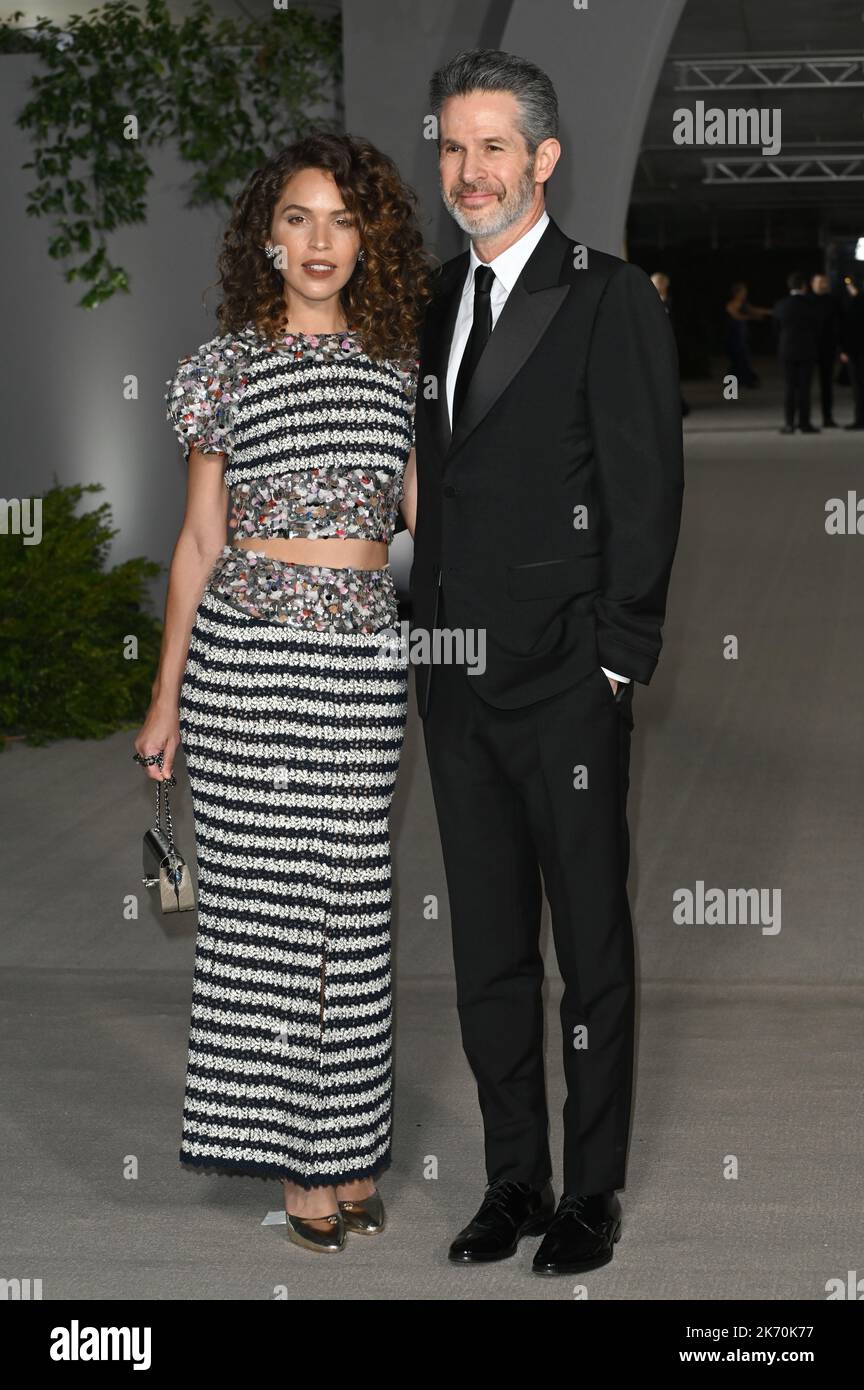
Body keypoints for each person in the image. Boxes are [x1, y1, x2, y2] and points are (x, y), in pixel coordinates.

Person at [411, 50, 684, 1276]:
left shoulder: (609, 296)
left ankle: (593, 1191)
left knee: (591, 950)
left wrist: (619, 659)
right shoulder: (426, 304)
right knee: (487, 954)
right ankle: (514, 1176)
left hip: (570, 679)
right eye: (454, 149)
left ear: (545, 159)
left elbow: (645, 486)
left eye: (493, 149)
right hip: (455, 678)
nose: (469, 172)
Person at [134, 133, 430, 1255]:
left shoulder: (400, 365)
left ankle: (347, 1146)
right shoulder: (225, 367)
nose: (319, 242)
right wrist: (165, 696)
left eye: (343, 221)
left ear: (371, 240)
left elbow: (423, 523)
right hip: (245, 665)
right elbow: (199, 541)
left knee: (350, 911)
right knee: (263, 918)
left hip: (358, 668)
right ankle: (307, 1167)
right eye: (299, 218)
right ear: (268, 232)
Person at [772, 270, 821, 434]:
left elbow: (776, 328)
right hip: (807, 350)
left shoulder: (781, 304)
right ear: (804, 286)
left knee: (790, 388)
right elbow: (817, 328)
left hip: (787, 350)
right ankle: (804, 423)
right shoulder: (811, 305)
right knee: (804, 389)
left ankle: (789, 424)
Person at [651, 270, 690, 416]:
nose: (658, 286)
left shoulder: (673, 302)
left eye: (660, 283)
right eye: (655, 284)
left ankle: (678, 405)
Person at [724, 281, 772, 387]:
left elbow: (754, 310)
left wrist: (769, 311)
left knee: (741, 359)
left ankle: (743, 381)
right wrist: (752, 317)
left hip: (741, 336)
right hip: (734, 337)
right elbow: (736, 316)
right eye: (743, 291)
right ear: (737, 293)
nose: (745, 293)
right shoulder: (731, 304)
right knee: (738, 360)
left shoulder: (743, 304)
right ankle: (742, 382)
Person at [810, 271, 841, 427]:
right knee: (803, 385)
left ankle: (827, 417)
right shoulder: (806, 301)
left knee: (826, 385)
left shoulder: (833, 302)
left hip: (827, 348)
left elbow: (839, 326)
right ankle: (804, 419)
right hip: (809, 348)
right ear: (812, 284)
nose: (823, 285)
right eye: (820, 282)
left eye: (825, 282)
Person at [839, 277, 864, 430]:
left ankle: (860, 419)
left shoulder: (853, 304)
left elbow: (847, 330)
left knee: (859, 387)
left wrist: (844, 350)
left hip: (856, 352)